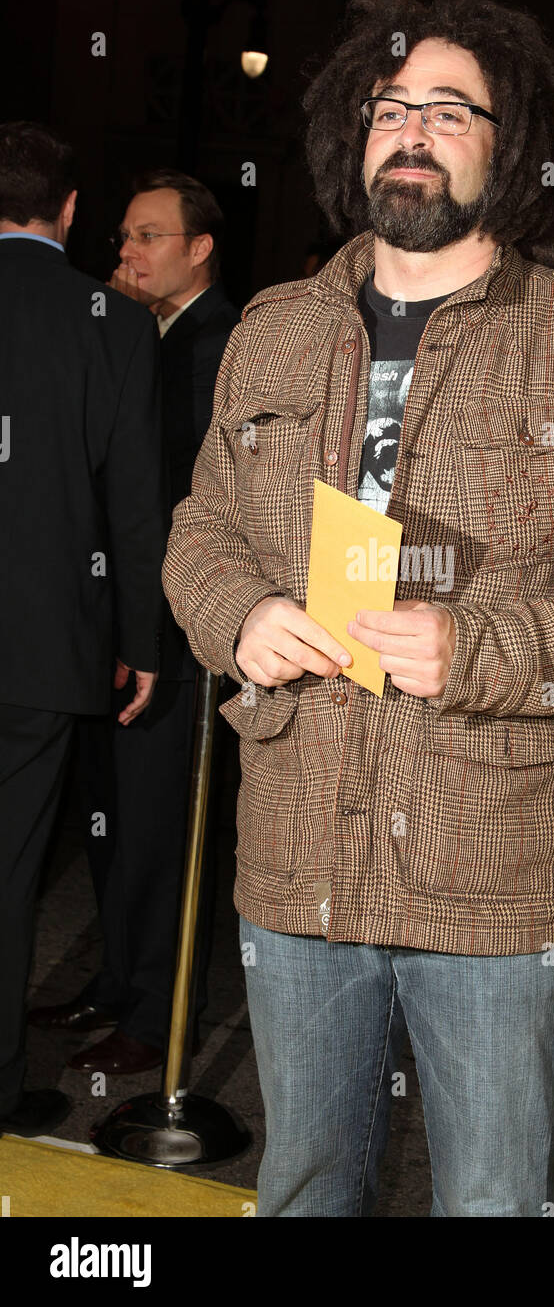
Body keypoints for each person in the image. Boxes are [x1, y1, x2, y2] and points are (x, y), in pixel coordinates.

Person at [162, 0, 554, 1216]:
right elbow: (199, 526)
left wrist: (479, 646)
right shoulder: (273, 328)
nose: (407, 129)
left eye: (449, 112)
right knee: (304, 1189)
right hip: (297, 846)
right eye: (386, 106)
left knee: (488, 1201)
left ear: (512, 150)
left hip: (494, 864)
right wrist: (239, 615)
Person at [29, 171, 240, 1074]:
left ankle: (157, 1014)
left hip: (179, 629)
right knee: (112, 819)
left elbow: (172, 491)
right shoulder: (125, 332)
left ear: (200, 249)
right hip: (117, 625)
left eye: (150, 237)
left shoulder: (220, 344)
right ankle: (116, 983)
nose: (128, 252)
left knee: (163, 831)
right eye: (122, 236)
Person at [0, 122, 168, 1136]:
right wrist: (141, 637)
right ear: (70, 212)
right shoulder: (109, 319)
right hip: (41, 643)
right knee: (10, 869)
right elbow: (135, 499)